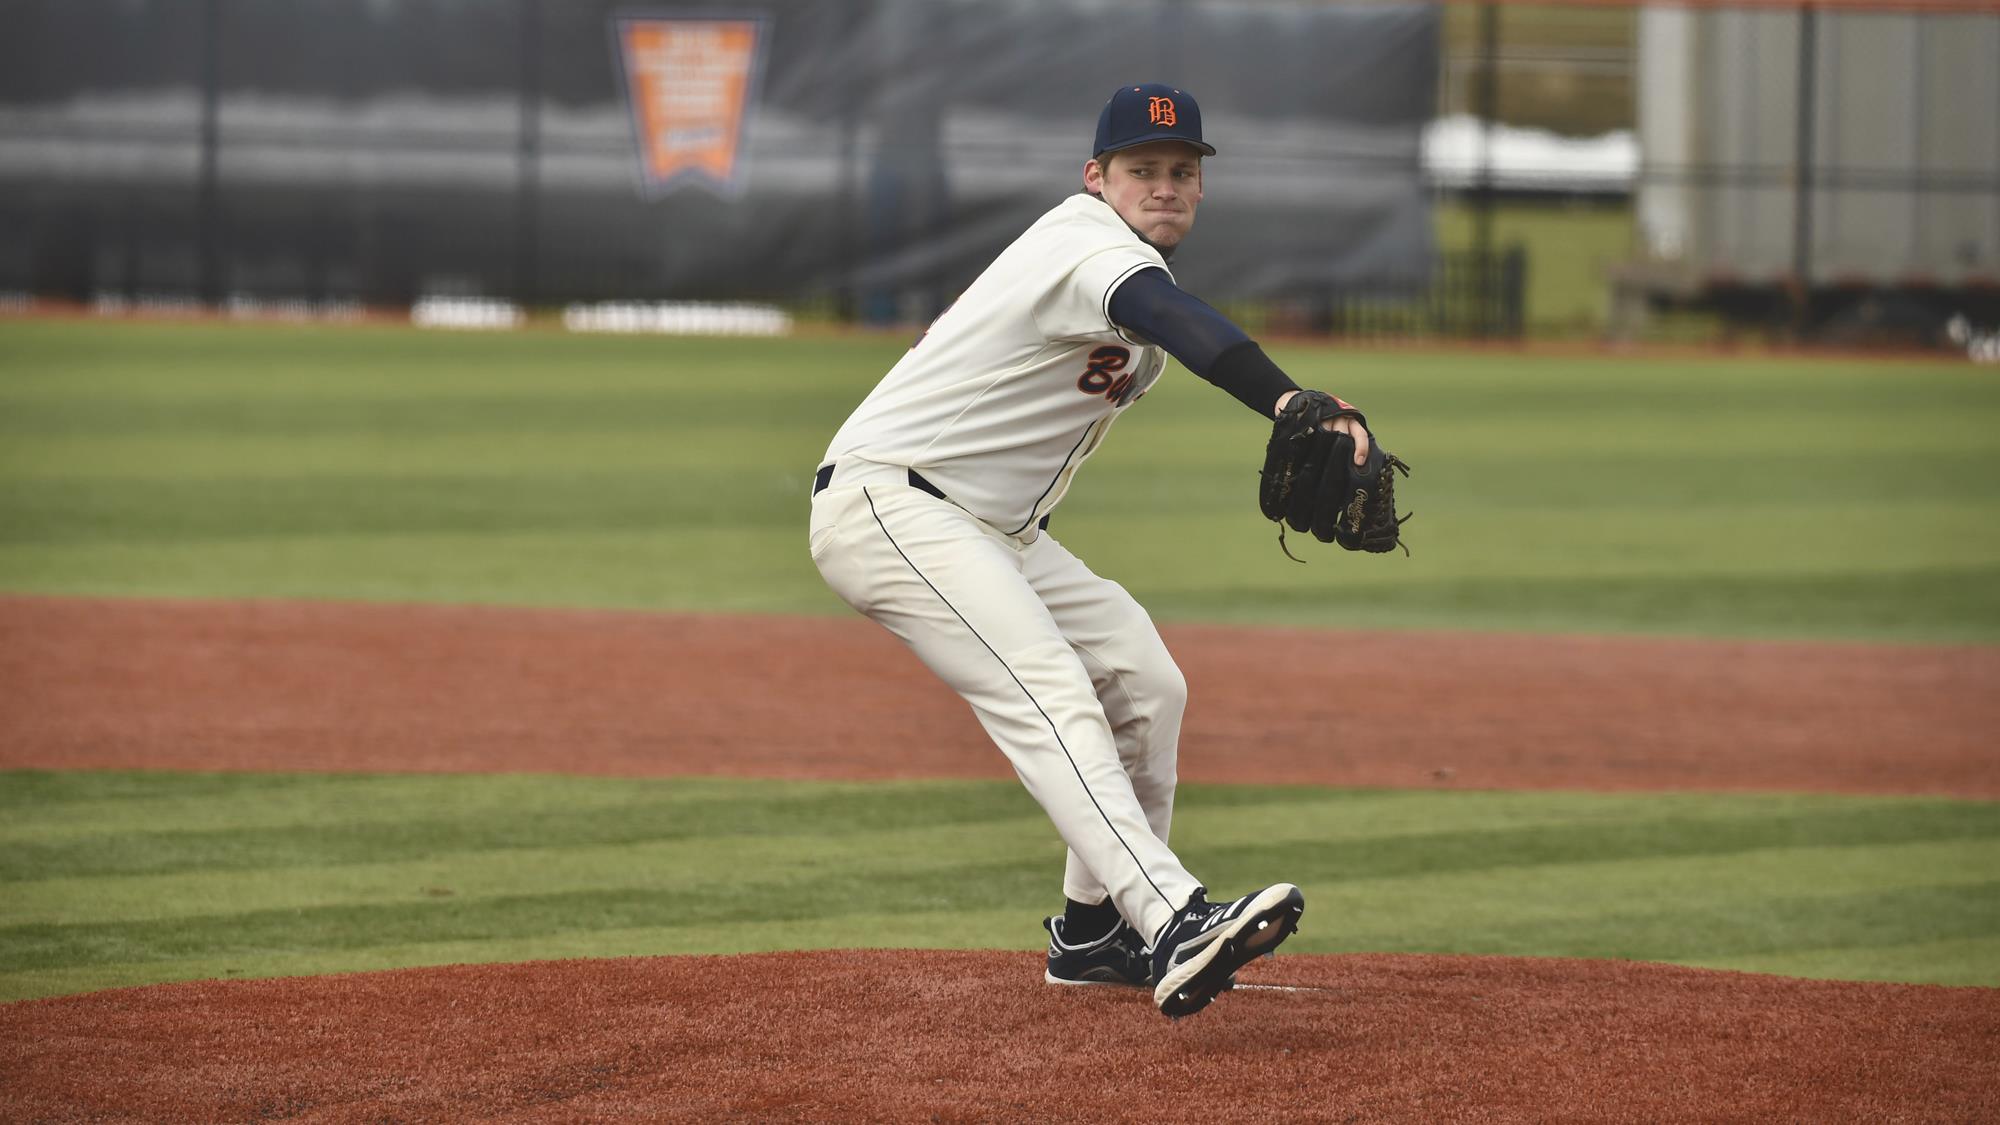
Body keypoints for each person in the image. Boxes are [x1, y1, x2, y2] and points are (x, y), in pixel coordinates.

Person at [807, 83, 1375, 1019]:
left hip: (992, 527)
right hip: (890, 503)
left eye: (1181, 172)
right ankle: (1174, 917)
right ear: (1096, 178)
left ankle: (1091, 933)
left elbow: (1160, 319)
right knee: (1049, 688)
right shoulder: (1082, 241)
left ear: (1199, 187)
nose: (1163, 185)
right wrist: (1289, 399)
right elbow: (1182, 323)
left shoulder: (1126, 273)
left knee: (1146, 682)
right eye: (1141, 169)